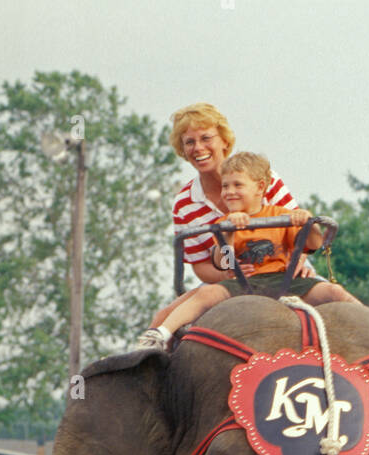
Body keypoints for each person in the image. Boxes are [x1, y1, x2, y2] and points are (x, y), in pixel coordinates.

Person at [137, 153, 357, 350]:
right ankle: (161, 333)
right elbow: (221, 262)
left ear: (260, 188)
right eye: (225, 186)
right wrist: (229, 232)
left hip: (283, 279)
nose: (229, 192)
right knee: (206, 294)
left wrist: (308, 221)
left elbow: (313, 244)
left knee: (334, 292)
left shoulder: (281, 215)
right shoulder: (224, 222)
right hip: (245, 281)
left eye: (237, 185)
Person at [142, 102, 317, 335]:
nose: (198, 148)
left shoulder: (263, 177)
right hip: (229, 277)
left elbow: (298, 227)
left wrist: (300, 260)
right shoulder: (185, 204)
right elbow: (201, 266)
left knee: (333, 300)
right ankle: (151, 356)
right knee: (163, 317)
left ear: (224, 141)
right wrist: (229, 273)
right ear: (182, 150)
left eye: (206, 138)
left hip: (283, 270)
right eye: (189, 142)